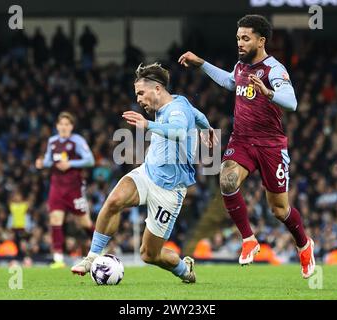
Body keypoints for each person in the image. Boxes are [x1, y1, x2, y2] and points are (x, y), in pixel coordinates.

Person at [178, 14, 315, 279]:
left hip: (270, 145)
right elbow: (231, 82)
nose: (239, 43)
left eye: (245, 38)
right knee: (227, 180)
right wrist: (202, 64)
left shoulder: (274, 69)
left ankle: (304, 244)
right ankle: (249, 239)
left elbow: (292, 101)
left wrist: (269, 93)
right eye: (238, 38)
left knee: (279, 209)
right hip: (241, 140)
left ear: (261, 41)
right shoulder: (241, 67)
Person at [71, 63, 217, 283]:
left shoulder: (177, 110)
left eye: (141, 93)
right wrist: (207, 129)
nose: (138, 99)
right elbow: (199, 115)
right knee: (114, 201)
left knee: (149, 254)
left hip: (170, 190)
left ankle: (184, 269)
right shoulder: (180, 102)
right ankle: (92, 257)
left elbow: (178, 131)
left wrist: (147, 124)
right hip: (147, 173)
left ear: (157, 89)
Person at [35, 112, 95, 268]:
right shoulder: (52, 141)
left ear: (71, 127)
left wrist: (70, 164)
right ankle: (58, 258)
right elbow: (49, 161)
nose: (64, 127)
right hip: (56, 186)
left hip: (74, 188)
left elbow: (90, 160)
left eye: (67, 124)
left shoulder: (77, 141)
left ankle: (99, 250)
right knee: (55, 220)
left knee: (85, 222)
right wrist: (42, 163)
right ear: (57, 126)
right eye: (61, 124)